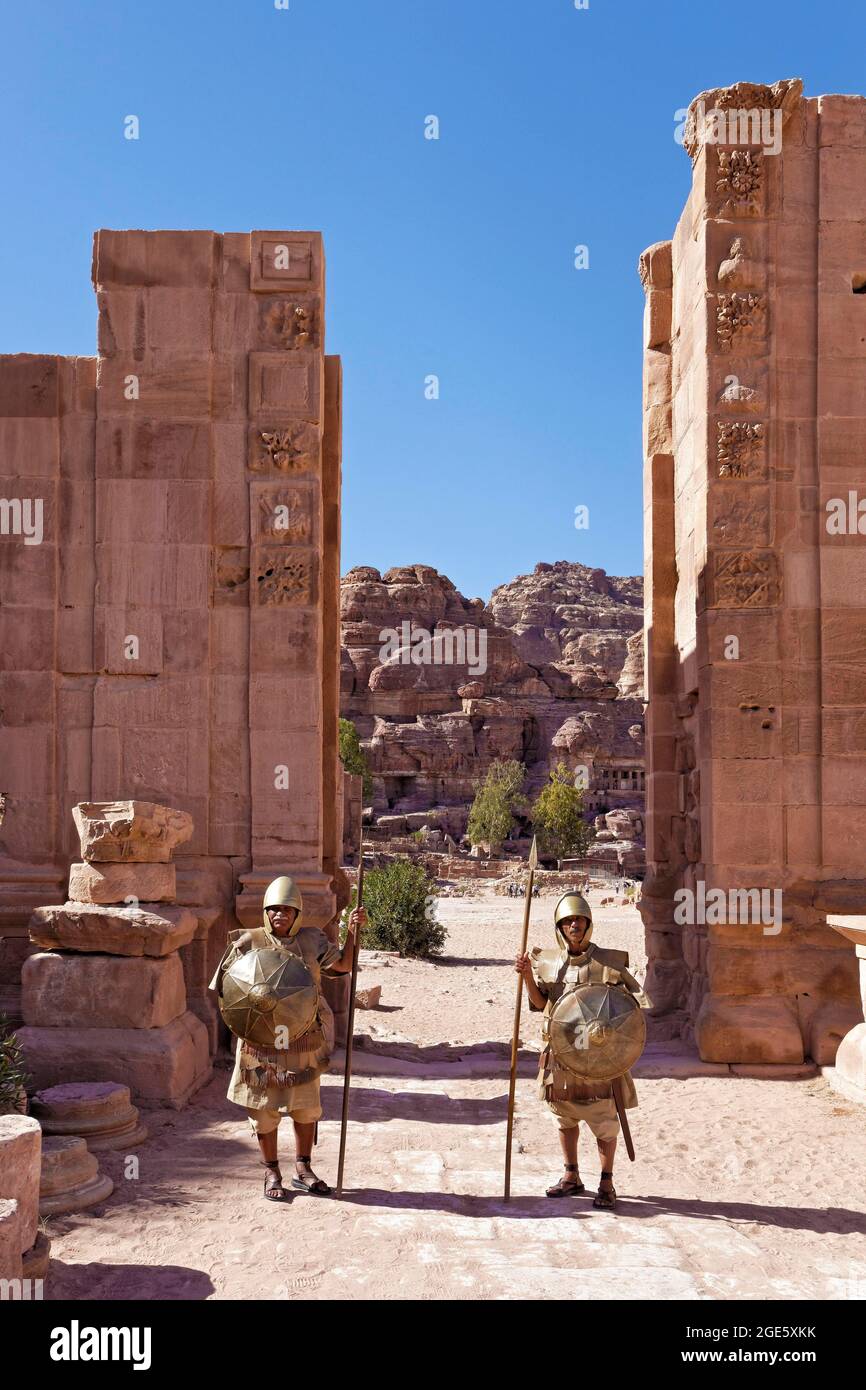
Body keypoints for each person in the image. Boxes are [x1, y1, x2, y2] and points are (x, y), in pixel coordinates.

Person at [209, 875, 366, 1201]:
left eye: (287, 910)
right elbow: (226, 991)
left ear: (297, 914)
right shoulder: (247, 942)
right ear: (266, 912)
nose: (280, 915)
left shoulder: (312, 940)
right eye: (274, 910)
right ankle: (271, 1171)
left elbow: (345, 964)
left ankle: (303, 1168)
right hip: (260, 1044)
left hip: (302, 1039)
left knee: (305, 1107)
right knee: (264, 1110)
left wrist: (353, 931)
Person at [514, 890, 649, 1210]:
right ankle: (571, 1176)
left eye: (579, 920)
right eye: (567, 921)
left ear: (589, 924)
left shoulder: (609, 962)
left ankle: (606, 1181)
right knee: (565, 1116)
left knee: (603, 1118)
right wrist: (527, 977)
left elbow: (632, 1008)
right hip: (561, 1055)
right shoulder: (548, 962)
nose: (574, 925)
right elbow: (539, 1004)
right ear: (559, 927)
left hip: (600, 1055)